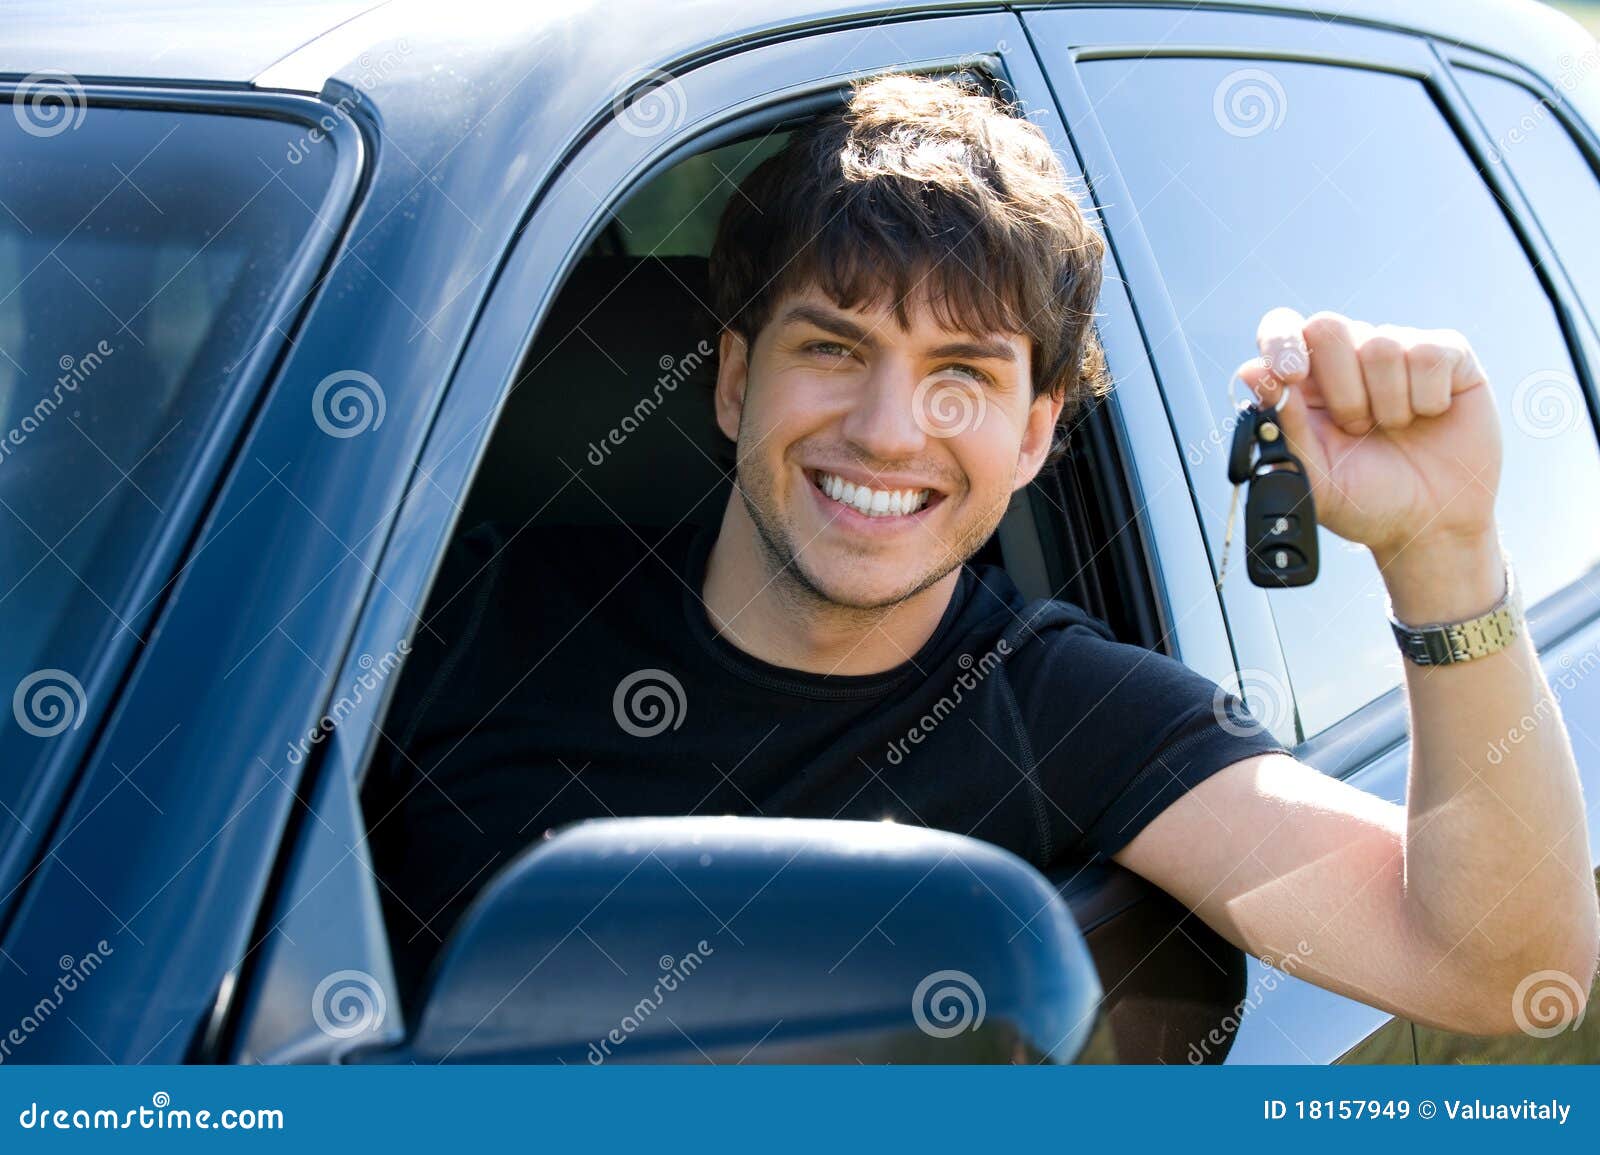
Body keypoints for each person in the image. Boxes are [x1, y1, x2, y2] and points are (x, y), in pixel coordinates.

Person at [362, 73, 1597, 1035]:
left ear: (1034, 436)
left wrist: (1440, 549)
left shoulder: (1071, 715)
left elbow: (1498, 970)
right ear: (735, 380)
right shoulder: (450, 627)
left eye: (962, 374)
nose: (889, 431)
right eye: (834, 349)